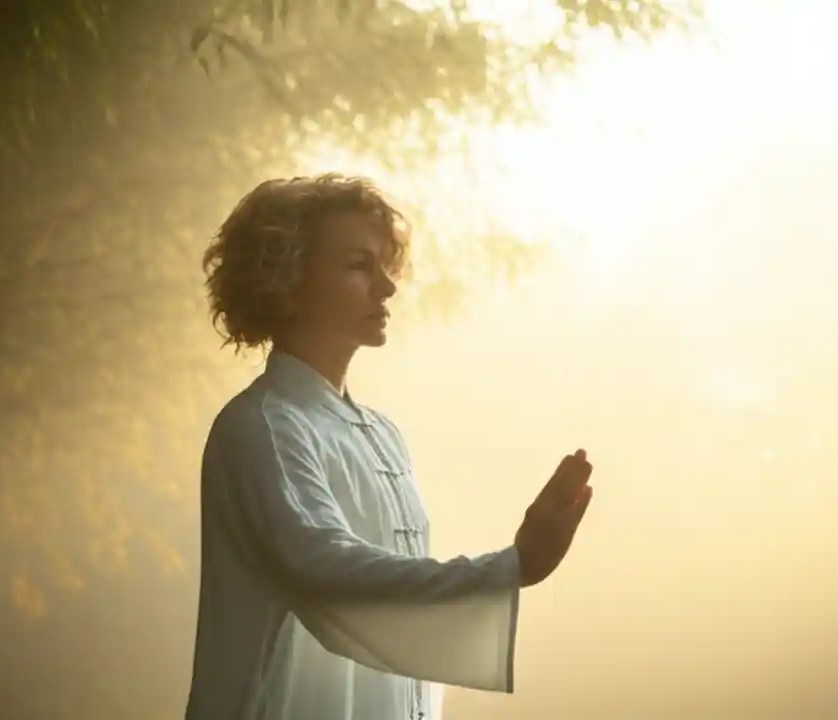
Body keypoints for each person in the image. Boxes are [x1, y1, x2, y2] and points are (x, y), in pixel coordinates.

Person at [185, 173, 594, 719]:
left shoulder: (383, 434)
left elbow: (399, 624)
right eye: (357, 266)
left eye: (384, 265)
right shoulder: (261, 427)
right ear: (286, 278)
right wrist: (511, 568)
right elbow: (325, 568)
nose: (387, 287)